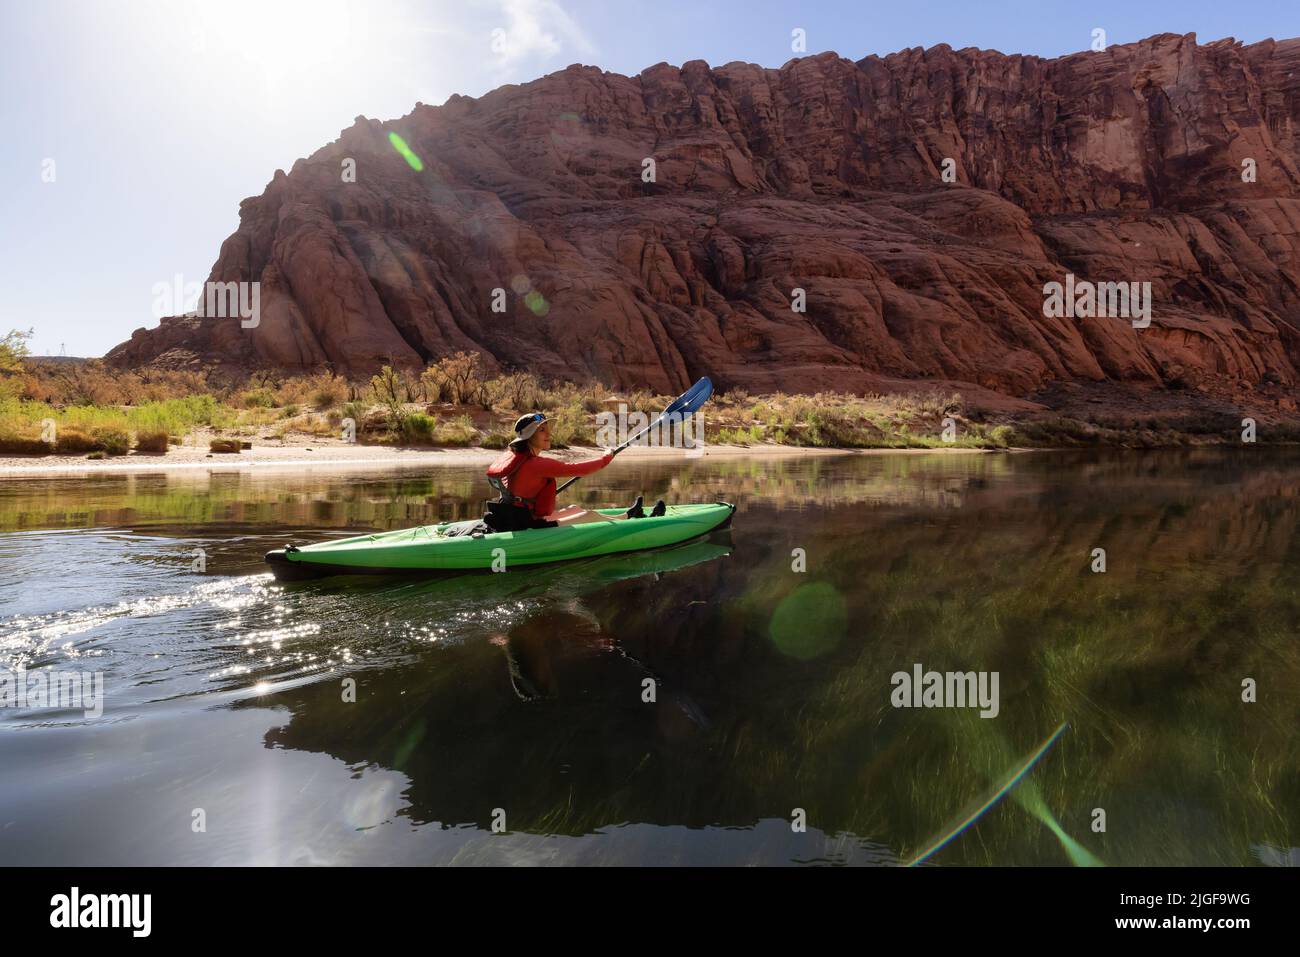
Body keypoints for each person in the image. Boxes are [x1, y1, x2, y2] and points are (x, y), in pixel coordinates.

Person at [486, 412, 664, 527]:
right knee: (590, 516)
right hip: (525, 523)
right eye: (542, 431)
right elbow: (580, 469)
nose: (549, 434)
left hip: (516, 516)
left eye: (548, 429)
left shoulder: (518, 456)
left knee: (575, 508)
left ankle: (628, 515)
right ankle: (639, 523)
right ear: (529, 436)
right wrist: (606, 457)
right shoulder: (536, 464)